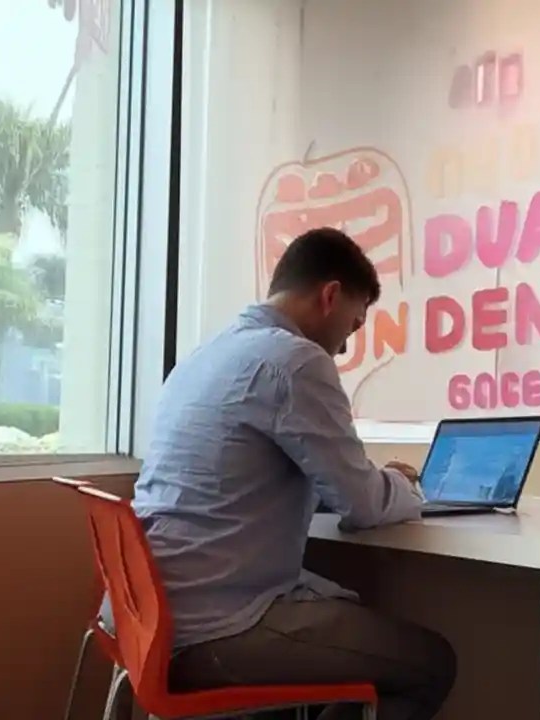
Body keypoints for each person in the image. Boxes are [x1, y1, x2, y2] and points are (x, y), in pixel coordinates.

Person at [127, 227, 456, 720]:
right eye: (355, 322)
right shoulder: (295, 361)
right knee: (431, 663)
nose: (346, 346)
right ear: (331, 296)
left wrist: (361, 483)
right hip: (211, 628)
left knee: (347, 607)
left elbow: (248, 478)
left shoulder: (202, 359)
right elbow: (363, 505)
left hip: (147, 617)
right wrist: (407, 486)